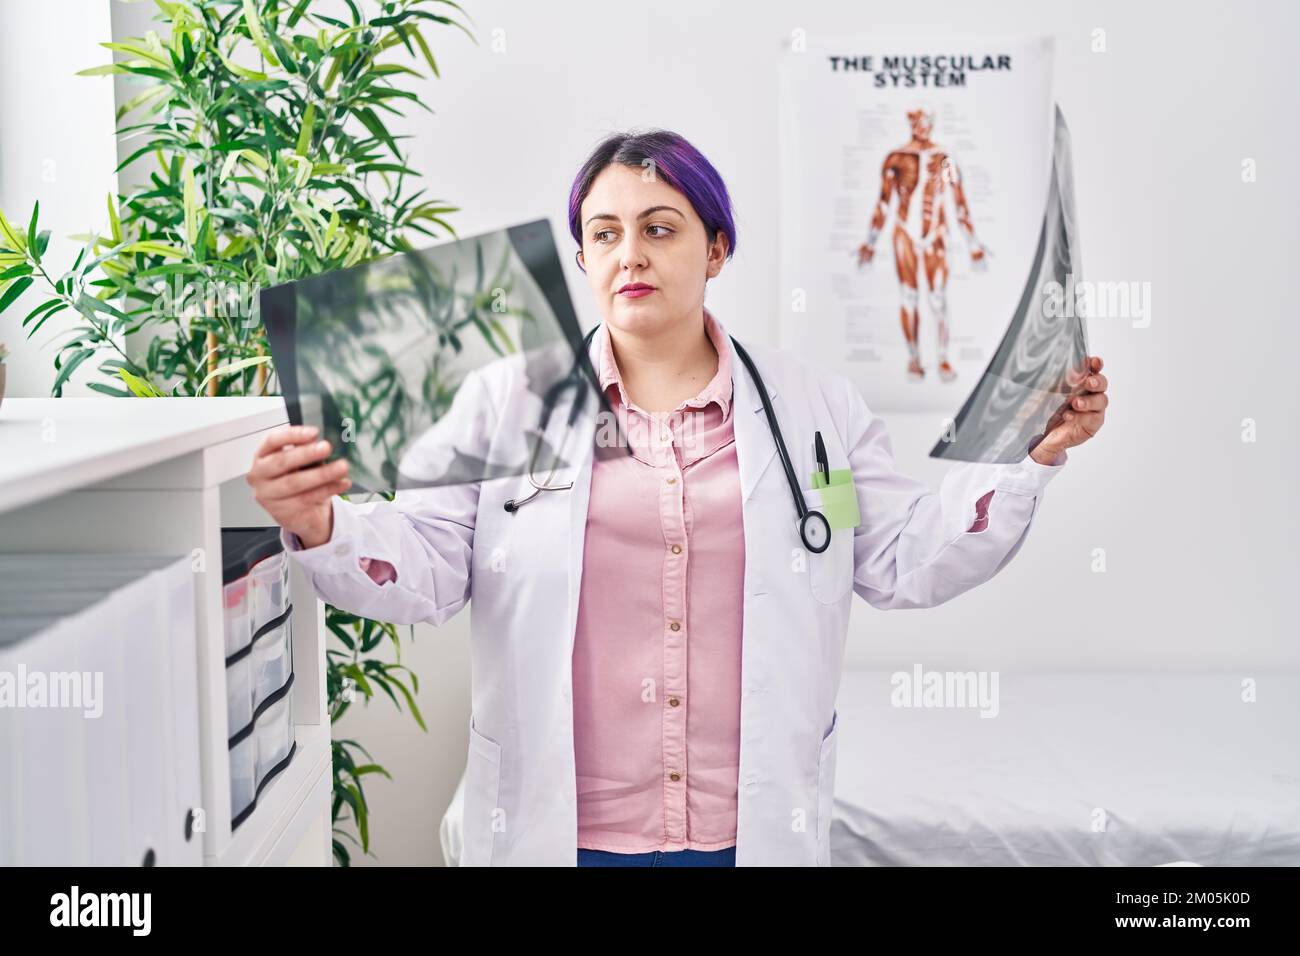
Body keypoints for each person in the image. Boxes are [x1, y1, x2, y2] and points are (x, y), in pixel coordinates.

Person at [246, 128, 1109, 867]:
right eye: (606, 233)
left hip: (746, 832)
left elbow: (898, 557)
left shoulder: (812, 411)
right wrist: (320, 521)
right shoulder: (507, 400)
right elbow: (426, 568)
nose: (632, 254)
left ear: (717, 249)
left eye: (661, 229)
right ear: (581, 257)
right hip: (565, 831)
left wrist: (1028, 458)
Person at [857, 107, 987, 382]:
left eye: (927, 121)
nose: (923, 126)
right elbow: (883, 202)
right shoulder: (896, 158)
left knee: (938, 298)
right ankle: (914, 359)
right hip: (904, 233)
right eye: (917, 121)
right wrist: (870, 242)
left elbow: (960, 202)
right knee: (909, 296)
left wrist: (973, 243)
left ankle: (942, 359)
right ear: (911, 123)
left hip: (935, 234)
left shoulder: (944, 158)